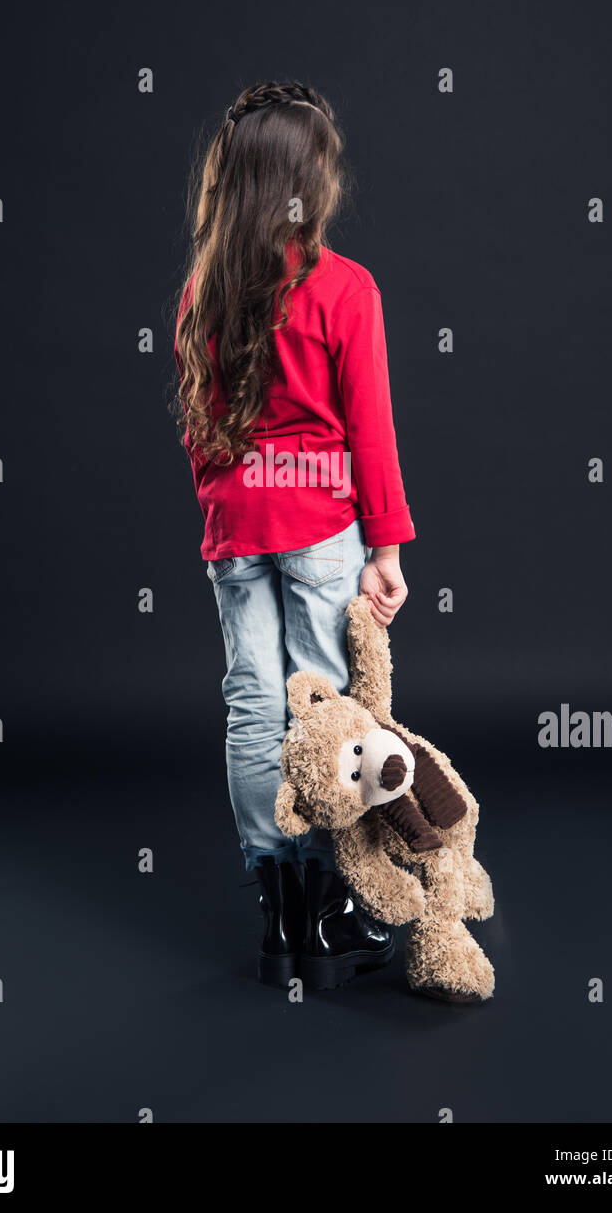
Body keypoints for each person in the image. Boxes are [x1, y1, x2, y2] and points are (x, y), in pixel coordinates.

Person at [173, 80, 416, 989]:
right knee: (322, 713)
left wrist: (225, 499)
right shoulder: (346, 288)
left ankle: (275, 920)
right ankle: (325, 908)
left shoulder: (206, 287)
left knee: (252, 706)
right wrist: (385, 548)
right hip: (321, 526)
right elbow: (371, 430)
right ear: (303, 181)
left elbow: (199, 424)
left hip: (238, 526)